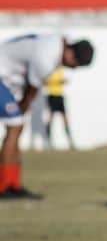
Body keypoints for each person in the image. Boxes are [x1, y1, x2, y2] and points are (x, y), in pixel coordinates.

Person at [0, 34, 94, 199]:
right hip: (3, 74)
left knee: (17, 125)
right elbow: (31, 92)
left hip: (7, 77)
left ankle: (13, 184)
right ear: (70, 54)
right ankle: (3, 186)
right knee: (15, 124)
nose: (72, 68)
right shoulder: (47, 58)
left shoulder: (55, 44)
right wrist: (22, 108)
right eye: (74, 65)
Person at [43, 66, 74, 150]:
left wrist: (62, 81)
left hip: (59, 96)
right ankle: (47, 142)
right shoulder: (49, 70)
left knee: (65, 120)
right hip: (52, 95)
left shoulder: (61, 69)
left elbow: (66, 80)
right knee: (50, 118)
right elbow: (44, 82)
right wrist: (56, 82)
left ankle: (70, 142)